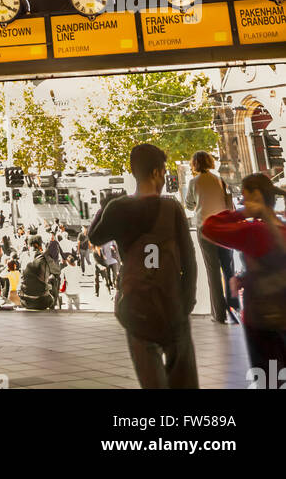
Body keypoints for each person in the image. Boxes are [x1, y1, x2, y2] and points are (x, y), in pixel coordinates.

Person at [90, 143, 198, 391]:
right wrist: (187, 302)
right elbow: (189, 259)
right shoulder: (172, 208)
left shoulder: (119, 208)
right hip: (172, 307)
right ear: (157, 172)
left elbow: (95, 237)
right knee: (184, 381)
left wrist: (106, 206)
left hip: (136, 308)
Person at [202, 172, 286, 377]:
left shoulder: (254, 231)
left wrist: (241, 213)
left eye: (245, 197)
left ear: (255, 197)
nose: (242, 202)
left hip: (263, 320)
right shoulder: (282, 227)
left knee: (269, 379)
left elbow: (209, 227)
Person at [184, 150, 236, 324]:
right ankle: (234, 308)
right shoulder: (220, 180)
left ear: (195, 164)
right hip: (223, 228)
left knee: (212, 271)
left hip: (205, 228)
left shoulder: (193, 182)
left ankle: (218, 314)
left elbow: (189, 205)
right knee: (228, 269)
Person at [18, 236, 54, 310]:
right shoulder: (44, 258)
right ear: (37, 245)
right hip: (41, 301)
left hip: (25, 301)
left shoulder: (23, 256)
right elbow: (46, 277)